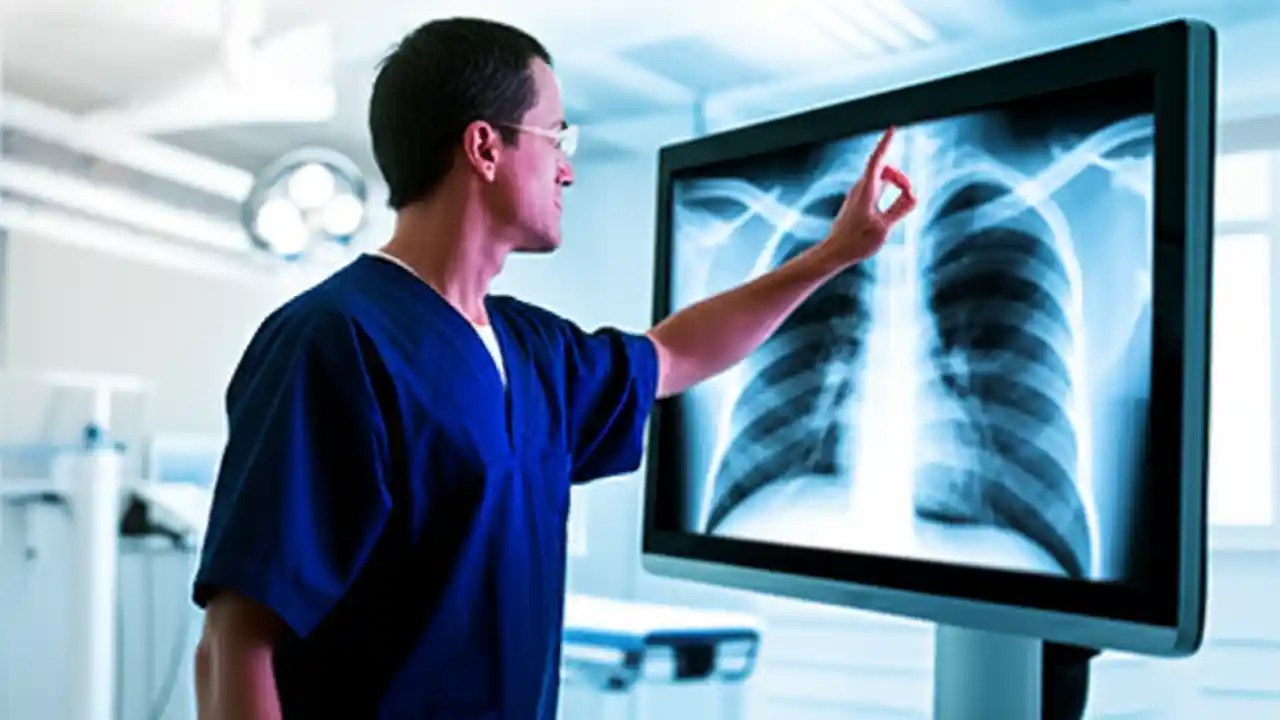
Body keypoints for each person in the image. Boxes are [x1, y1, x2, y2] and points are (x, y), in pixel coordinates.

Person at [190, 16, 914, 720]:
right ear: (484, 146)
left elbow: (674, 354)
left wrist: (830, 257)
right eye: (556, 136)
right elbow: (233, 643)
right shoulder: (332, 340)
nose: (569, 167)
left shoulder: (537, 351)